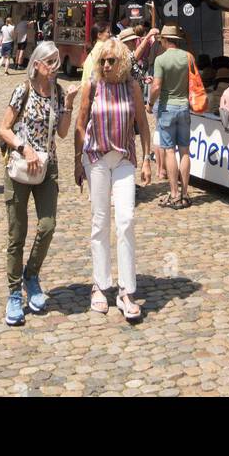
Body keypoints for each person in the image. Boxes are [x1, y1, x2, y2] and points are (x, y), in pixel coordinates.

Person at [0, 42, 78, 325]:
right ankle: (13, 295)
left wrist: (68, 105)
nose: (56, 66)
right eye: (51, 62)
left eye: (57, 61)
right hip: (21, 166)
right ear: (37, 64)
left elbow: (63, 133)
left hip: (48, 166)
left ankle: (31, 275)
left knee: (48, 225)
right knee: (16, 234)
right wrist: (24, 149)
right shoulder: (23, 90)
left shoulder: (56, 92)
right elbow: (3, 128)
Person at [74, 36, 152, 320]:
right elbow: (80, 124)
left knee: (126, 219)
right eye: (102, 61)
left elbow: (142, 123)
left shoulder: (132, 87)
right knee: (99, 221)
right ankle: (99, 284)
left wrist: (147, 159)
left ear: (122, 62)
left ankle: (126, 290)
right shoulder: (92, 85)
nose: (106, 65)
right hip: (95, 158)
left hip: (123, 160)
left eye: (112, 61)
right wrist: (77, 162)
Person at [150, 23, 192, 210]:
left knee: (169, 151)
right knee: (184, 150)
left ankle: (174, 194)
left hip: (167, 108)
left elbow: (157, 86)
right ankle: (185, 193)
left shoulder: (161, 59)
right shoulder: (188, 57)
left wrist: (150, 103)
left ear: (165, 40)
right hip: (184, 107)